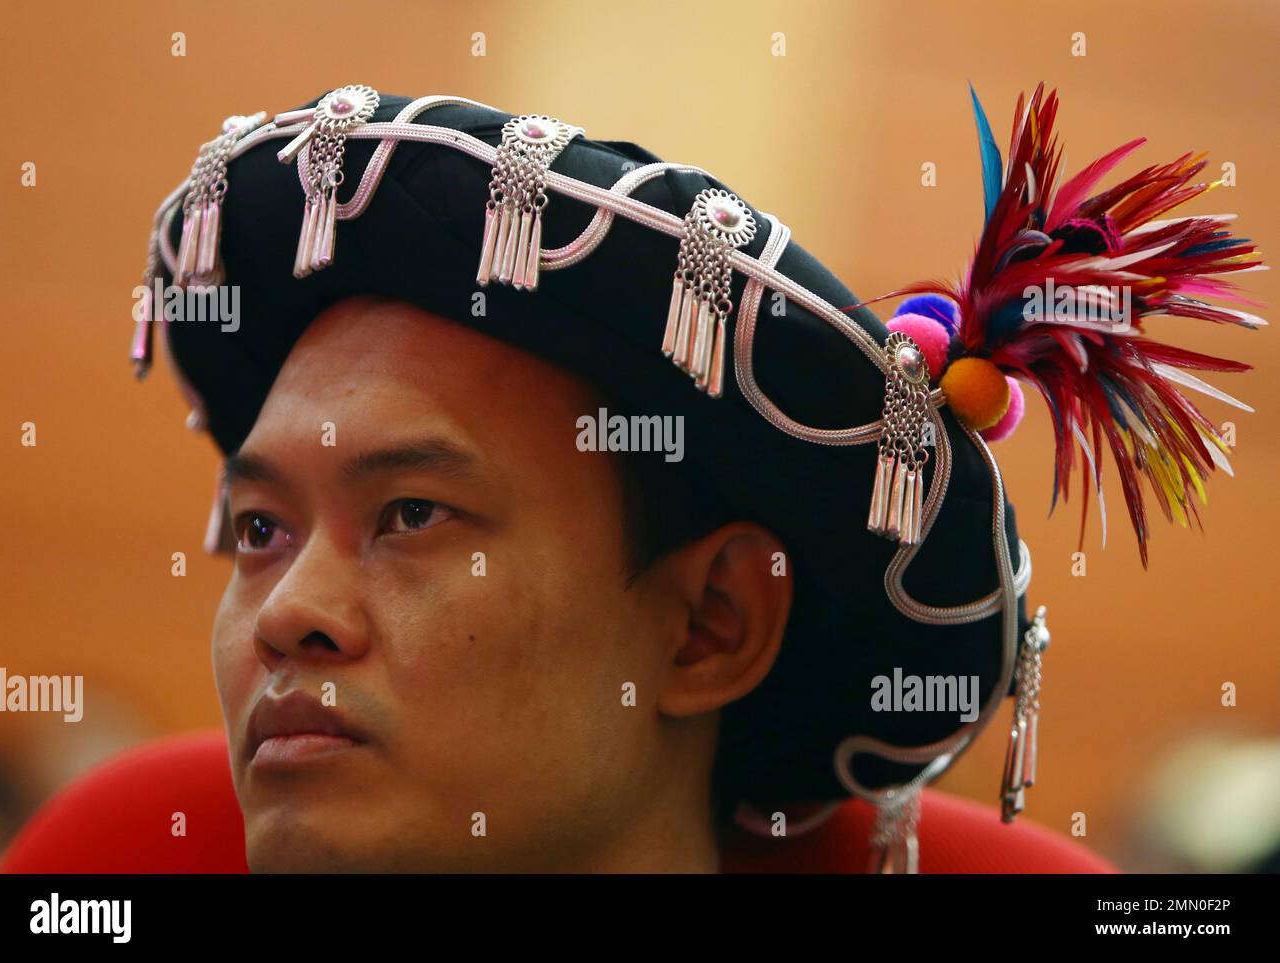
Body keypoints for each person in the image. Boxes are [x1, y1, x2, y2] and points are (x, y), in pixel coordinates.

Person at [128, 84, 1261, 872]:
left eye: (411, 514)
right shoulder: (102, 861)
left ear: (709, 625)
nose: (286, 616)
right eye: (259, 529)